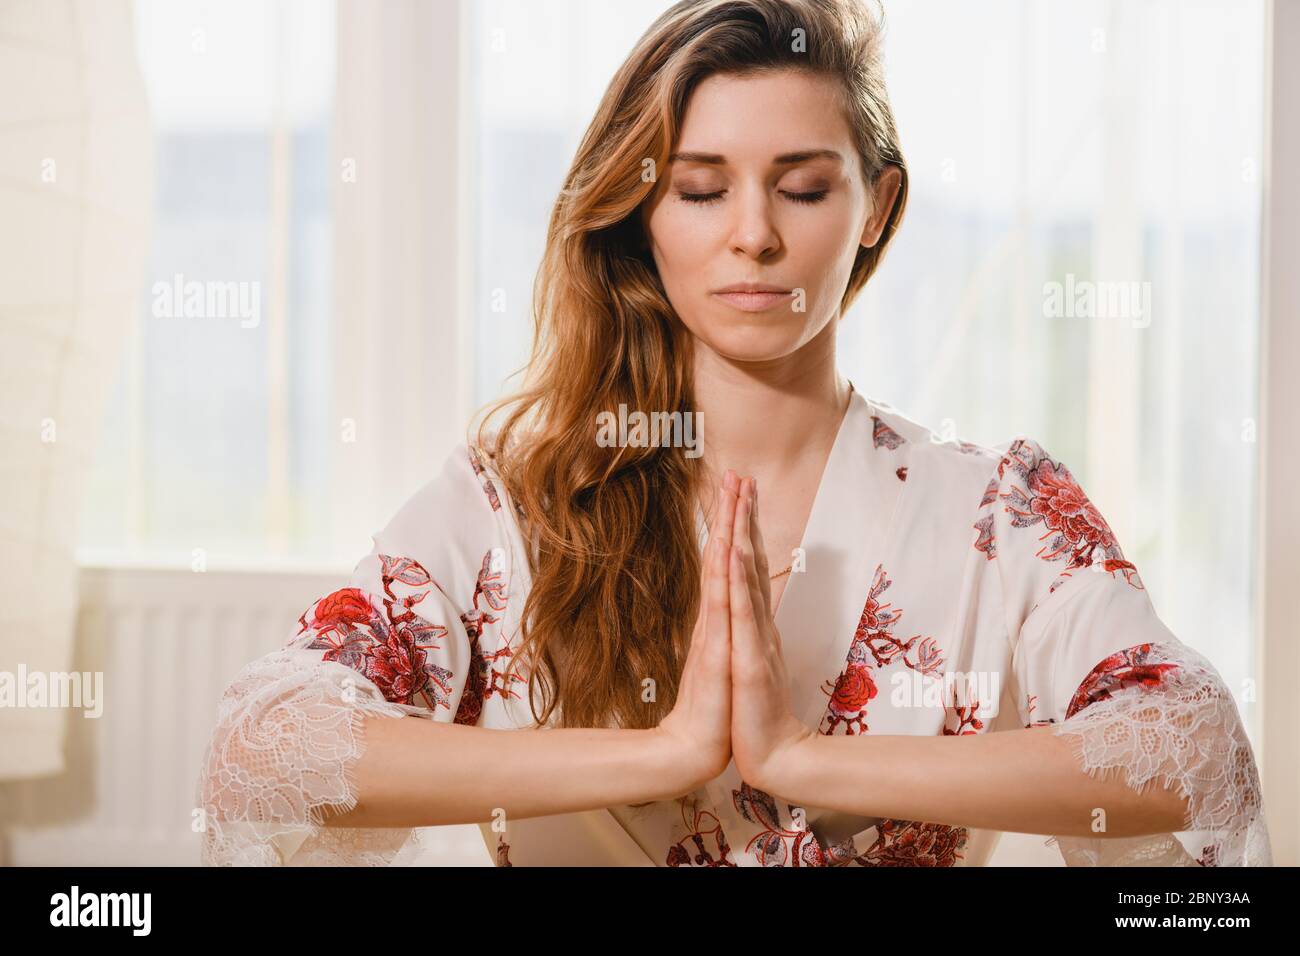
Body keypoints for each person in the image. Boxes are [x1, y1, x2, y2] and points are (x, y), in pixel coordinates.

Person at [195, 0, 1270, 867]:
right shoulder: (505, 507)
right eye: (700, 191)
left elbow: (1191, 750)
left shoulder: (1001, 510)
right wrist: (656, 751)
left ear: (877, 208)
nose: (753, 237)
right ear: (638, 216)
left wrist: (803, 756)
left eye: (801, 188)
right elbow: (262, 749)